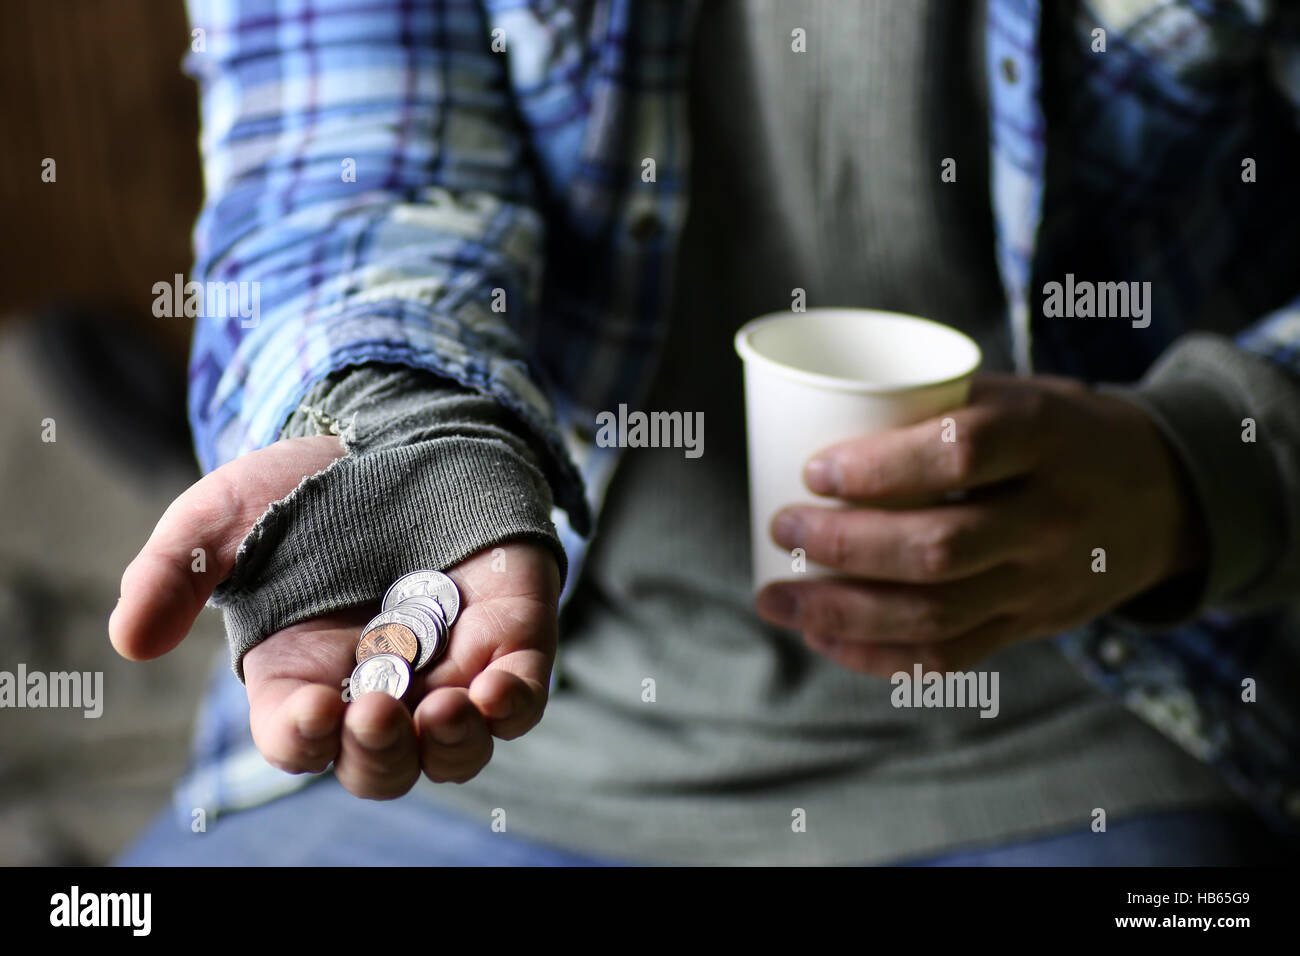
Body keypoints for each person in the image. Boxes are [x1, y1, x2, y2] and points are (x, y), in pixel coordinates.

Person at [110, 0, 1300, 865]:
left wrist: (1201, 463)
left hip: (1091, 735)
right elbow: (349, 174)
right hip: (503, 737)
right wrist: (402, 427)